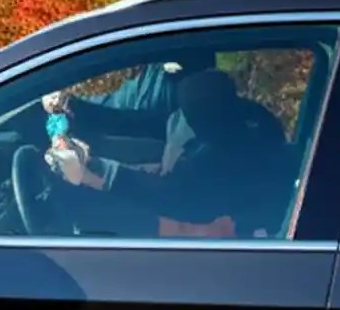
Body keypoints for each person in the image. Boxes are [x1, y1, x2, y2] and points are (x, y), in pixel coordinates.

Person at [48, 68, 291, 239]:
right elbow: (134, 123)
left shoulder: (222, 159)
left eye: (194, 115)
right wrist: (76, 108)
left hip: (210, 232)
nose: (187, 118)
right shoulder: (251, 118)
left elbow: (169, 195)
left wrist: (100, 173)